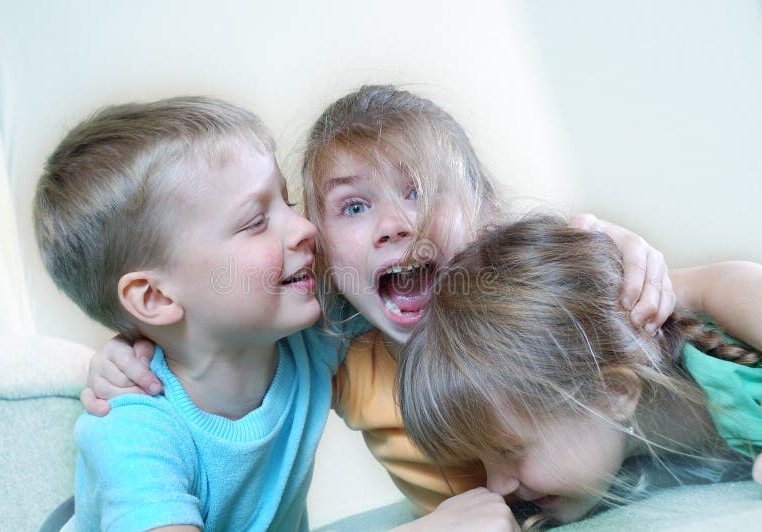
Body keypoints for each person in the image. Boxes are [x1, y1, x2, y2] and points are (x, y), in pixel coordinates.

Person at [80, 85, 725, 525]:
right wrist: (132, 348)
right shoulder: (332, 350)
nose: (392, 226)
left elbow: (645, 300)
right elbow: (220, 349)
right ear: (328, 256)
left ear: (488, 216)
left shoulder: (536, 312)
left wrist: (623, 251)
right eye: (353, 208)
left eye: (418, 191)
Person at [33, 96, 354, 531]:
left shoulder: (311, 334)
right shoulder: (132, 431)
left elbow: (423, 282)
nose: (306, 229)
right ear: (155, 298)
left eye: (288, 203)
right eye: (255, 221)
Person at [398, 215, 762, 529]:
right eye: (483, 462)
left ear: (614, 393)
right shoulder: (609, 472)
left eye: (511, 450)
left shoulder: (730, 352)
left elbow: (735, 281)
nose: (497, 487)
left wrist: (691, 288)